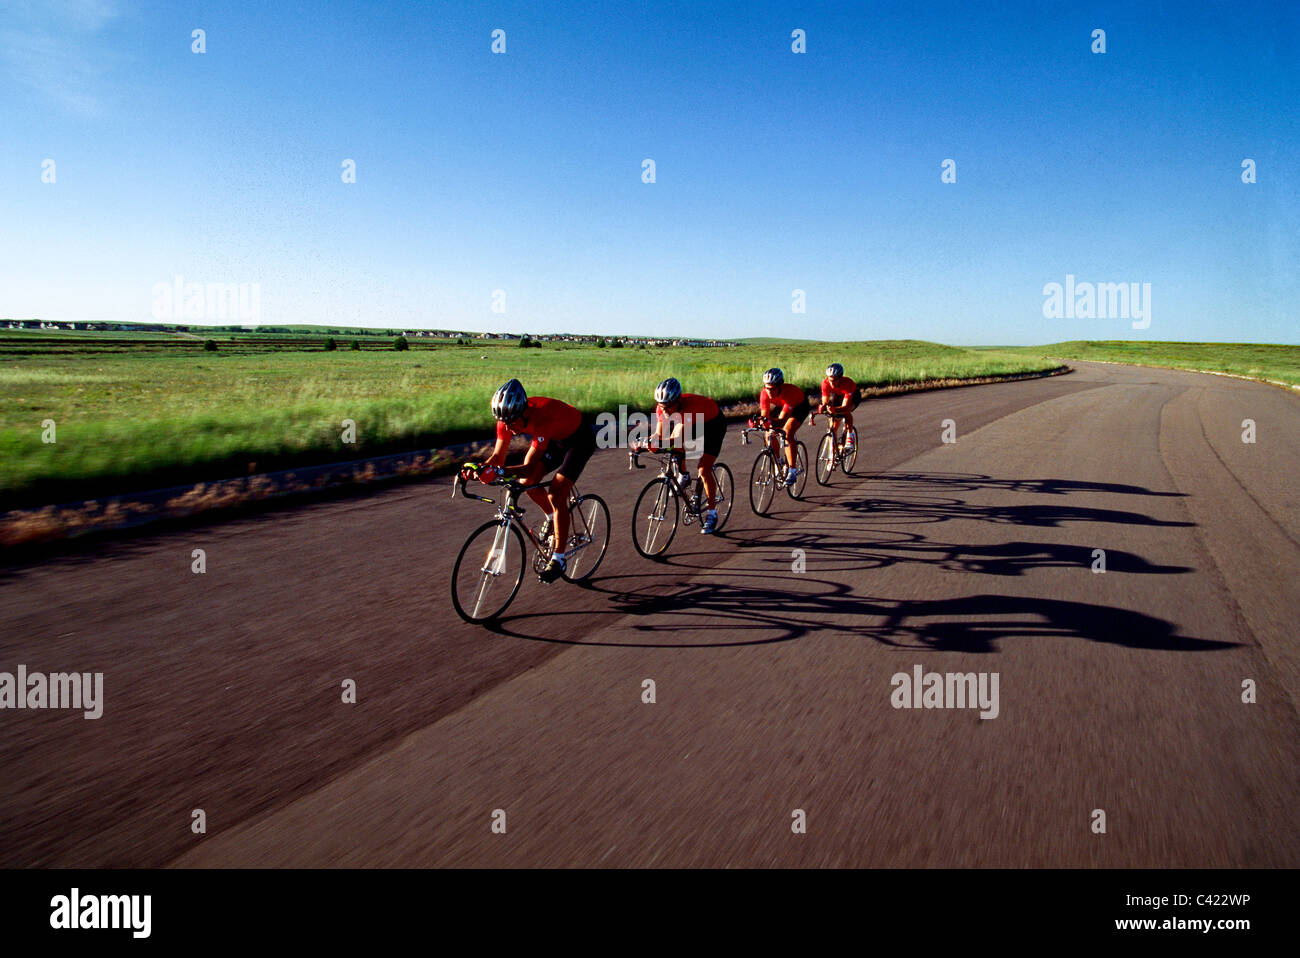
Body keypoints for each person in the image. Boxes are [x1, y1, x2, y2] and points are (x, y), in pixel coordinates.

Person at [463, 379, 596, 583]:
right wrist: (480, 467)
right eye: (504, 422)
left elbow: (528, 466)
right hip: (555, 439)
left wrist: (497, 472)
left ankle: (559, 559)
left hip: (579, 440)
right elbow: (498, 457)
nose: (509, 427)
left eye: (513, 422)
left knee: (556, 493)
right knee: (527, 483)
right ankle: (553, 520)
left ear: (524, 412)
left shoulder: (542, 419)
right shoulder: (505, 419)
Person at [636, 378, 727, 534]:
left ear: (678, 401)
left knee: (704, 469)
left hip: (713, 425)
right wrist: (645, 442)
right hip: (694, 423)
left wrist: (656, 444)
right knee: (672, 443)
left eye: (668, 407)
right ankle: (684, 475)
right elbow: (659, 434)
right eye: (662, 406)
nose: (665, 411)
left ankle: (712, 514)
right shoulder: (663, 407)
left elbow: (677, 438)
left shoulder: (689, 408)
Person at [756, 367, 809, 486]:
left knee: (787, 432)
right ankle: (778, 462)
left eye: (772, 388)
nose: (769, 391)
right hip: (782, 406)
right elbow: (765, 417)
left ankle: (792, 470)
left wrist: (771, 423)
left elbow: (781, 421)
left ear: (780, 385)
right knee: (768, 432)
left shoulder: (789, 393)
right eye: (766, 387)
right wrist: (761, 422)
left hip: (799, 407)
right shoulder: (765, 393)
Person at [819, 363, 858, 450]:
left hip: (853, 396)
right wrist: (823, 406)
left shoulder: (847, 384)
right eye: (830, 380)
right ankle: (833, 455)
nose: (832, 383)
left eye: (835, 380)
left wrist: (835, 409)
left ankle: (850, 436)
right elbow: (825, 401)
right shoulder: (825, 384)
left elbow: (845, 406)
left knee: (845, 411)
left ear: (840, 378)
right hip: (838, 395)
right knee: (832, 428)